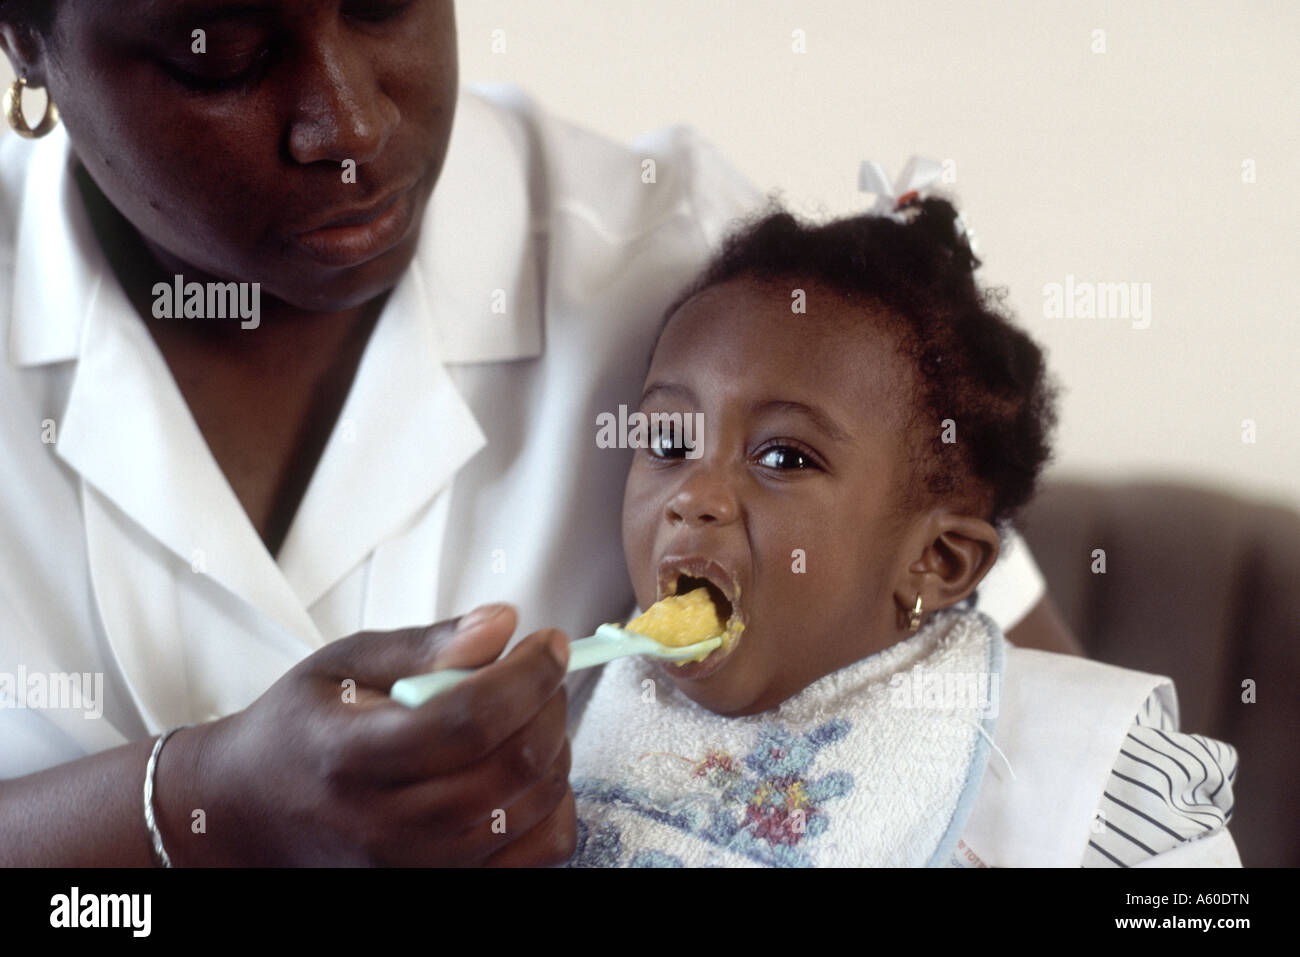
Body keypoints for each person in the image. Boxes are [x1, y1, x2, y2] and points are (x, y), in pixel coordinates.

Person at [1, 0, 1073, 866]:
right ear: (23, 37)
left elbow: (1045, 745)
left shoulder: (703, 275)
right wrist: (194, 809)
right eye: (225, 53)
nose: (350, 125)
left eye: (383, 6)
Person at [566, 198, 1240, 867]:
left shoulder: (1082, 781)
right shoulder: (590, 710)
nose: (694, 495)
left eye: (784, 457)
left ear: (936, 561)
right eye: (669, 439)